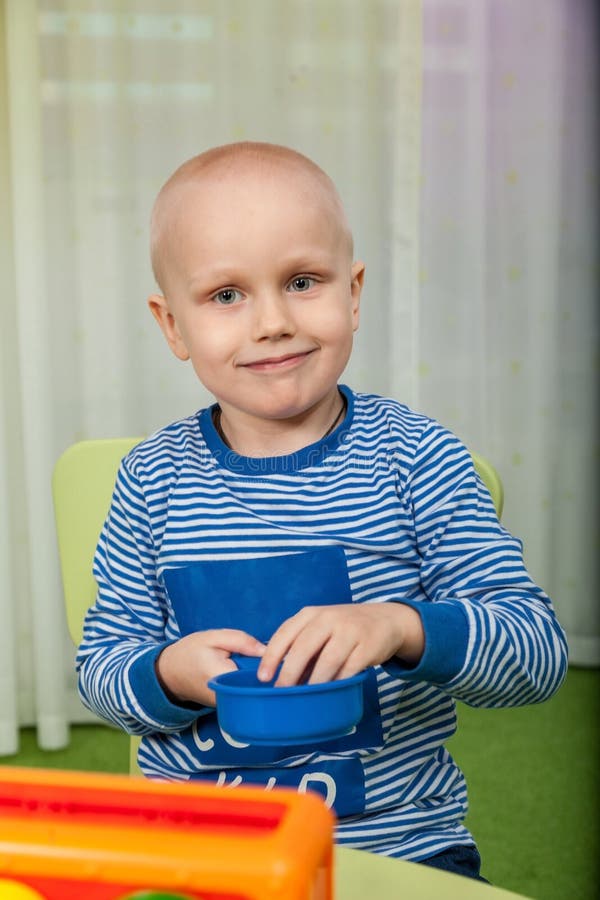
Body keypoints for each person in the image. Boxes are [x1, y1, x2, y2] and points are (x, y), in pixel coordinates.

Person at [76, 141, 568, 881]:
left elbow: (536, 653)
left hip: (399, 850)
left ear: (354, 292)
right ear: (172, 324)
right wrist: (170, 674)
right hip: (206, 855)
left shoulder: (417, 457)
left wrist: (400, 627)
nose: (272, 321)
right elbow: (102, 667)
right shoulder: (151, 480)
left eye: (302, 281)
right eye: (226, 296)